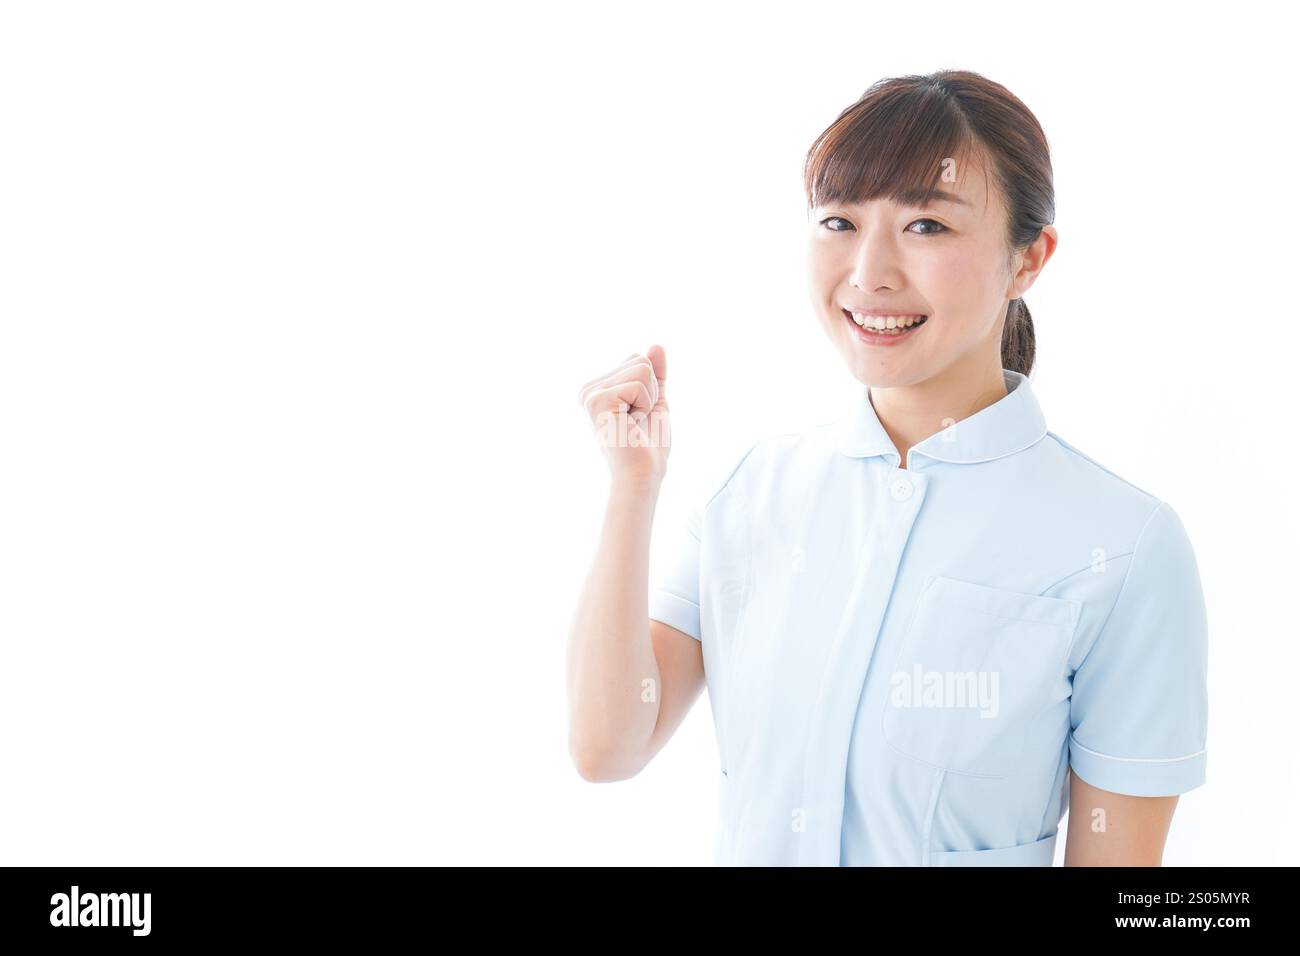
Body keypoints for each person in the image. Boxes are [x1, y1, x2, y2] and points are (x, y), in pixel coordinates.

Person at [566, 70, 1209, 866]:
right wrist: (633, 491)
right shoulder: (750, 494)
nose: (869, 272)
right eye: (840, 220)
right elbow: (609, 747)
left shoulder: (1124, 545)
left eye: (928, 227)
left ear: (1028, 259)